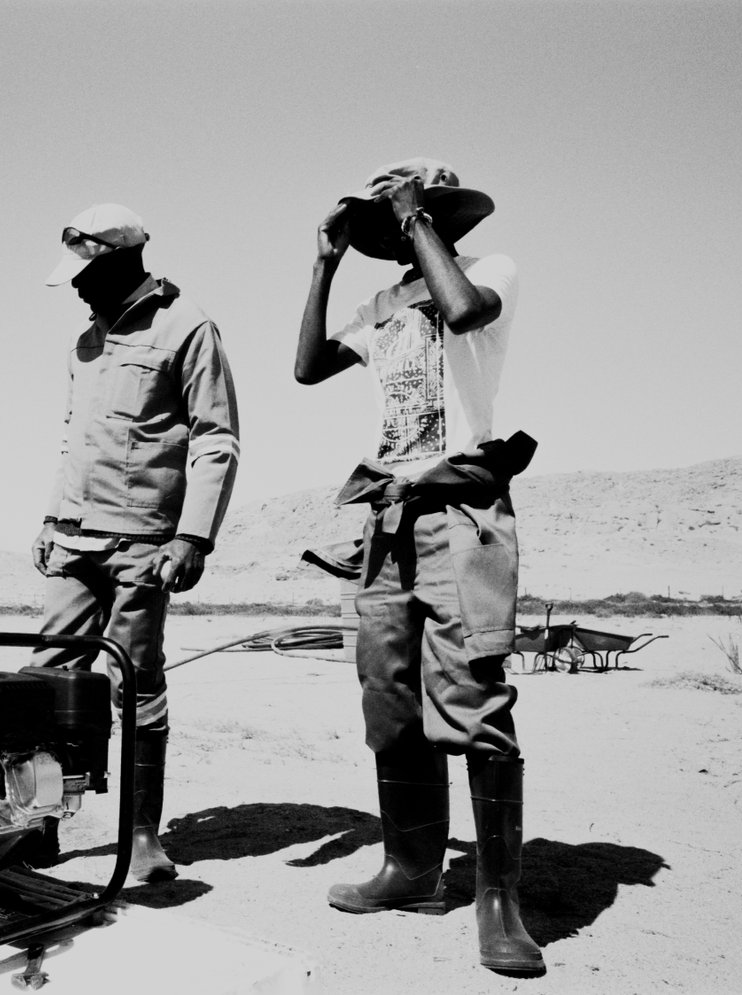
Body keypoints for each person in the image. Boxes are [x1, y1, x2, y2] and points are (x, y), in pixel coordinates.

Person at [294, 159, 544, 976]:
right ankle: (411, 868)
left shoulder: (485, 272)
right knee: (388, 695)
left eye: (412, 213)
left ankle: (498, 901)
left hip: (458, 512)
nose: (401, 228)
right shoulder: (381, 305)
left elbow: (465, 313)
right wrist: (325, 262)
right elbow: (307, 366)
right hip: (388, 516)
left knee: (471, 697)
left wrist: (411, 217)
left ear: (437, 215)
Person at [30, 204, 240, 883]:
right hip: (73, 538)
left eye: (86, 274)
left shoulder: (188, 329)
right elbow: (74, 439)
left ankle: (142, 833)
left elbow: (216, 439)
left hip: (144, 543)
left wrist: (193, 536)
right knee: (48, 678)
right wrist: (49, 517)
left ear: (121, 260)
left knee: (137, 680)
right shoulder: (83, 344)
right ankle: (35, 821)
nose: (77, 288)